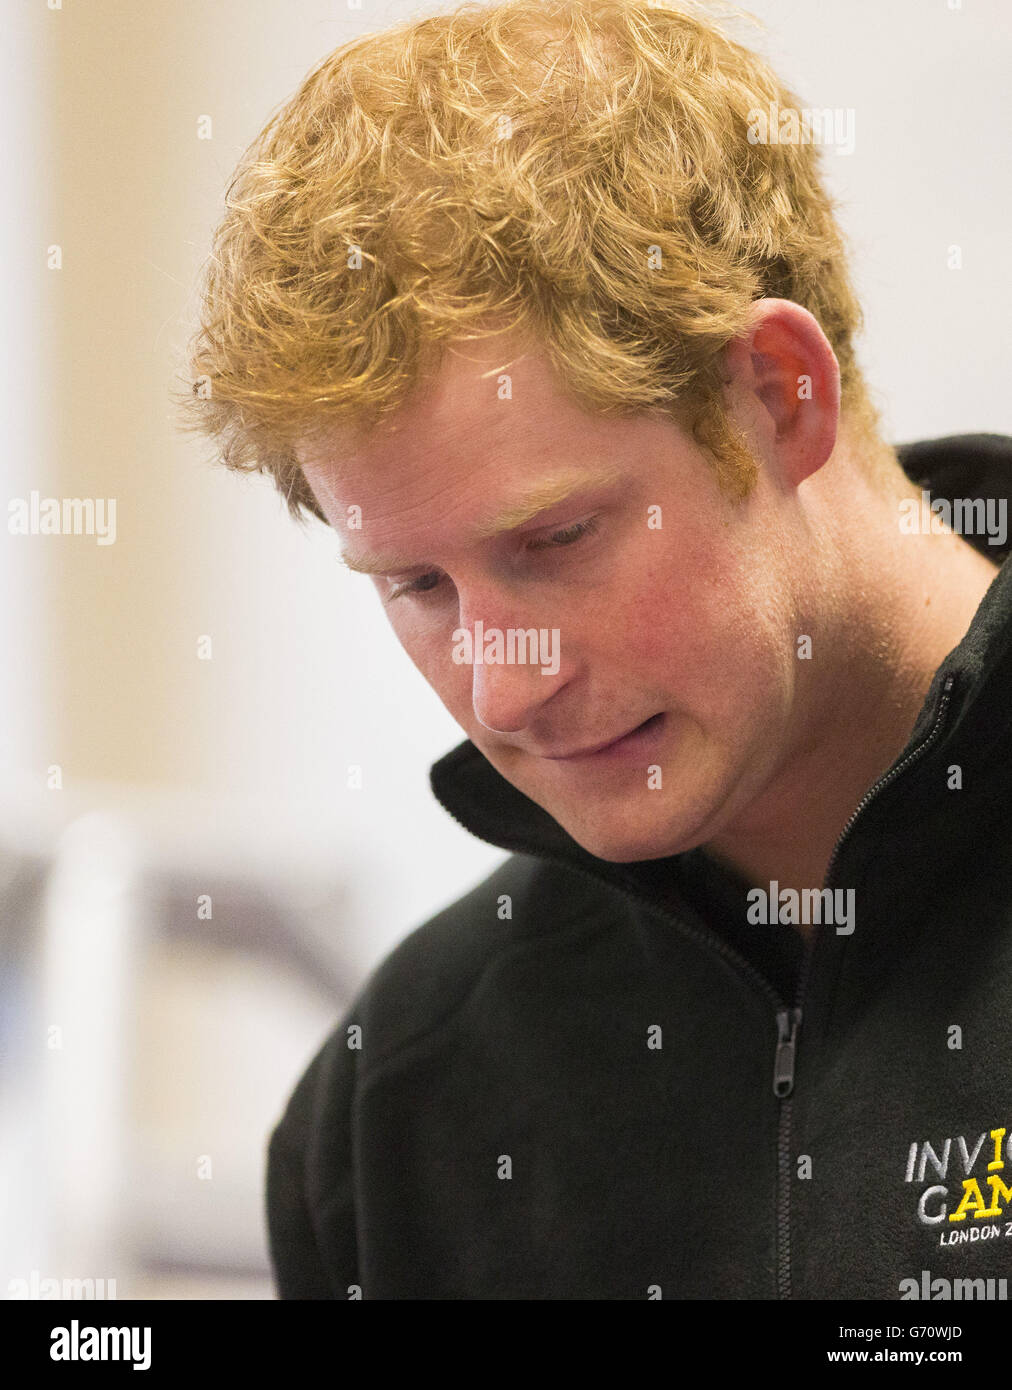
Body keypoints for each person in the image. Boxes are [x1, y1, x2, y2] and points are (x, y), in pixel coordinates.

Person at [180, 0, 1012, 1299]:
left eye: (557, 538)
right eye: (415, 582)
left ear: (780, 396)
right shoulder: (397, 1109)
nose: (503, 687)